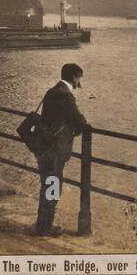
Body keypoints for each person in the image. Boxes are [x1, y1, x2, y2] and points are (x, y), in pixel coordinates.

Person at [34, 63, 89, 236]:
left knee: (48, 185)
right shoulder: (65, 95)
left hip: (44, 147)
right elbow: (78, 121)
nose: (79, 82)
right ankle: (44, 229)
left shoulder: (52, 91)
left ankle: (43, 225)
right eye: (79, 78)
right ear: (74, 78)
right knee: (53, 187)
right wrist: (79, 127)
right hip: (56, 150)